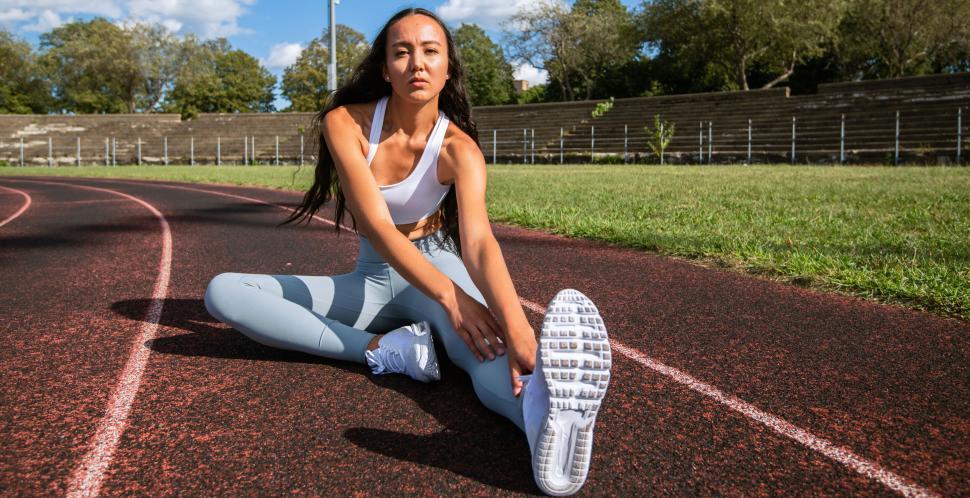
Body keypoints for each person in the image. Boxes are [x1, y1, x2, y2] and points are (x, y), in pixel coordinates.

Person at [203, 8, 612, 496]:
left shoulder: (460, 150)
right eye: (402, 52)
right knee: (224, 293)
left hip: (438, 262)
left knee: (485, 348)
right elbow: (377, 227)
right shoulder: (347, 123)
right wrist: (450, 298)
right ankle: (385, 349)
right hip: (372, 279)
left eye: (430, 51)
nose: (417, 63)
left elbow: (479, 242)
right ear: (384, 69)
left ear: (448, 68)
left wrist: (518, 326)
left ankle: (539, 417)